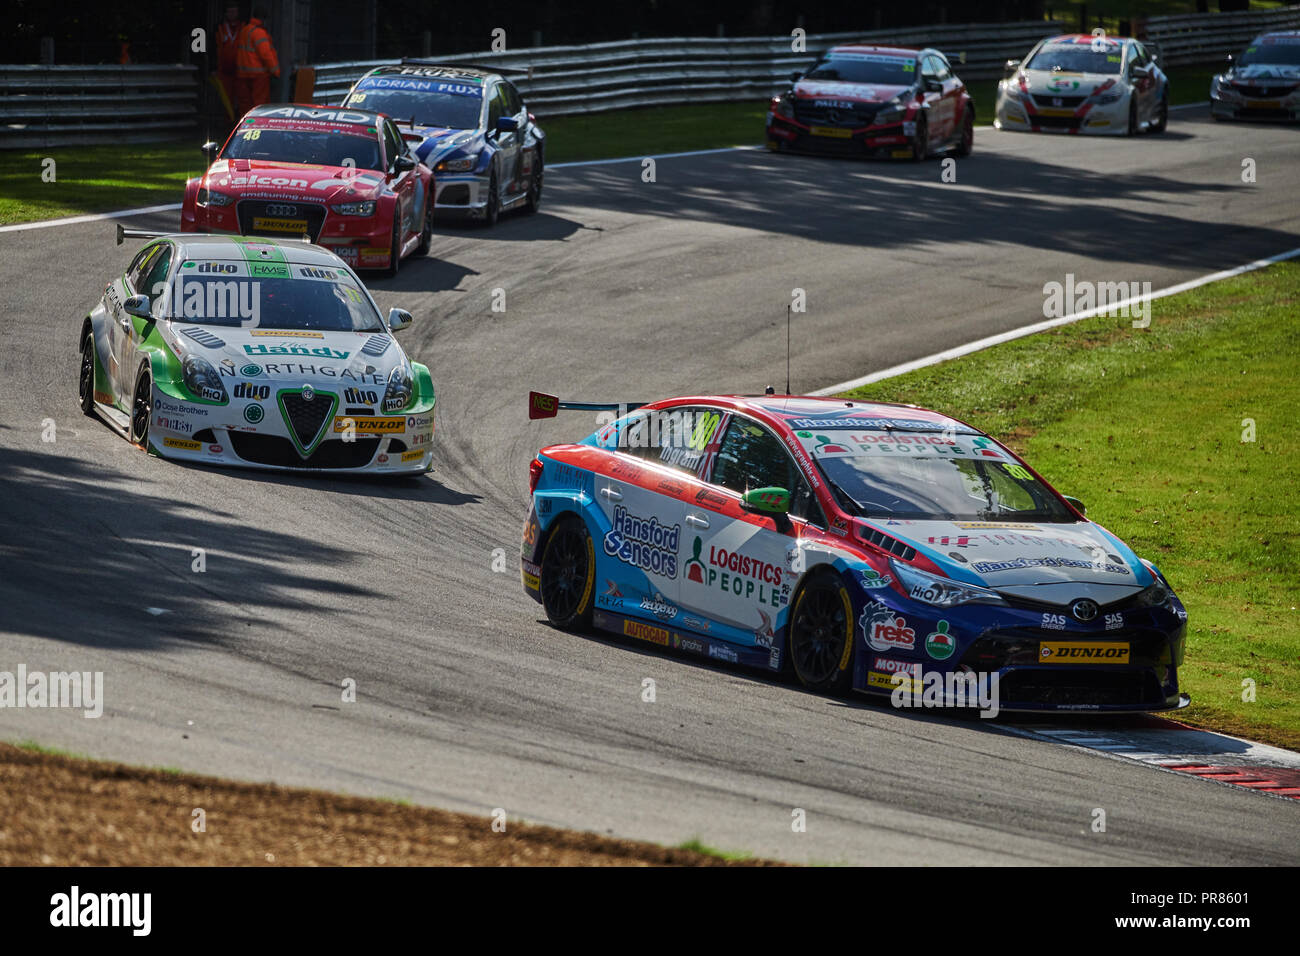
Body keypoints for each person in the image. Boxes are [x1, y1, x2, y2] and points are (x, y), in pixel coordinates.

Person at [234, 5, 280, 117]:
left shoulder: (244, 30)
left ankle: (244, 129)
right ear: (264, 18)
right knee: (260, 106)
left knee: (245, 106)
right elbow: (266, 54)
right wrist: (276, 72)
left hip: (243, 75)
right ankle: (258, 129)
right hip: (259, 76)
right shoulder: (259, 32)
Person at [216, 3, 244, 119]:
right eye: (230, 11)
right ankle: (227, 123)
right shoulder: (219, 28)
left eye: (234, 11)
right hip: (224, 71)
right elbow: (213, 47)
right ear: (226, 13)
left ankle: (238, 122)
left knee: (241, 99)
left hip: (240, 71)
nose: (232, 14)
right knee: (226, 100)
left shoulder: (243, 27)